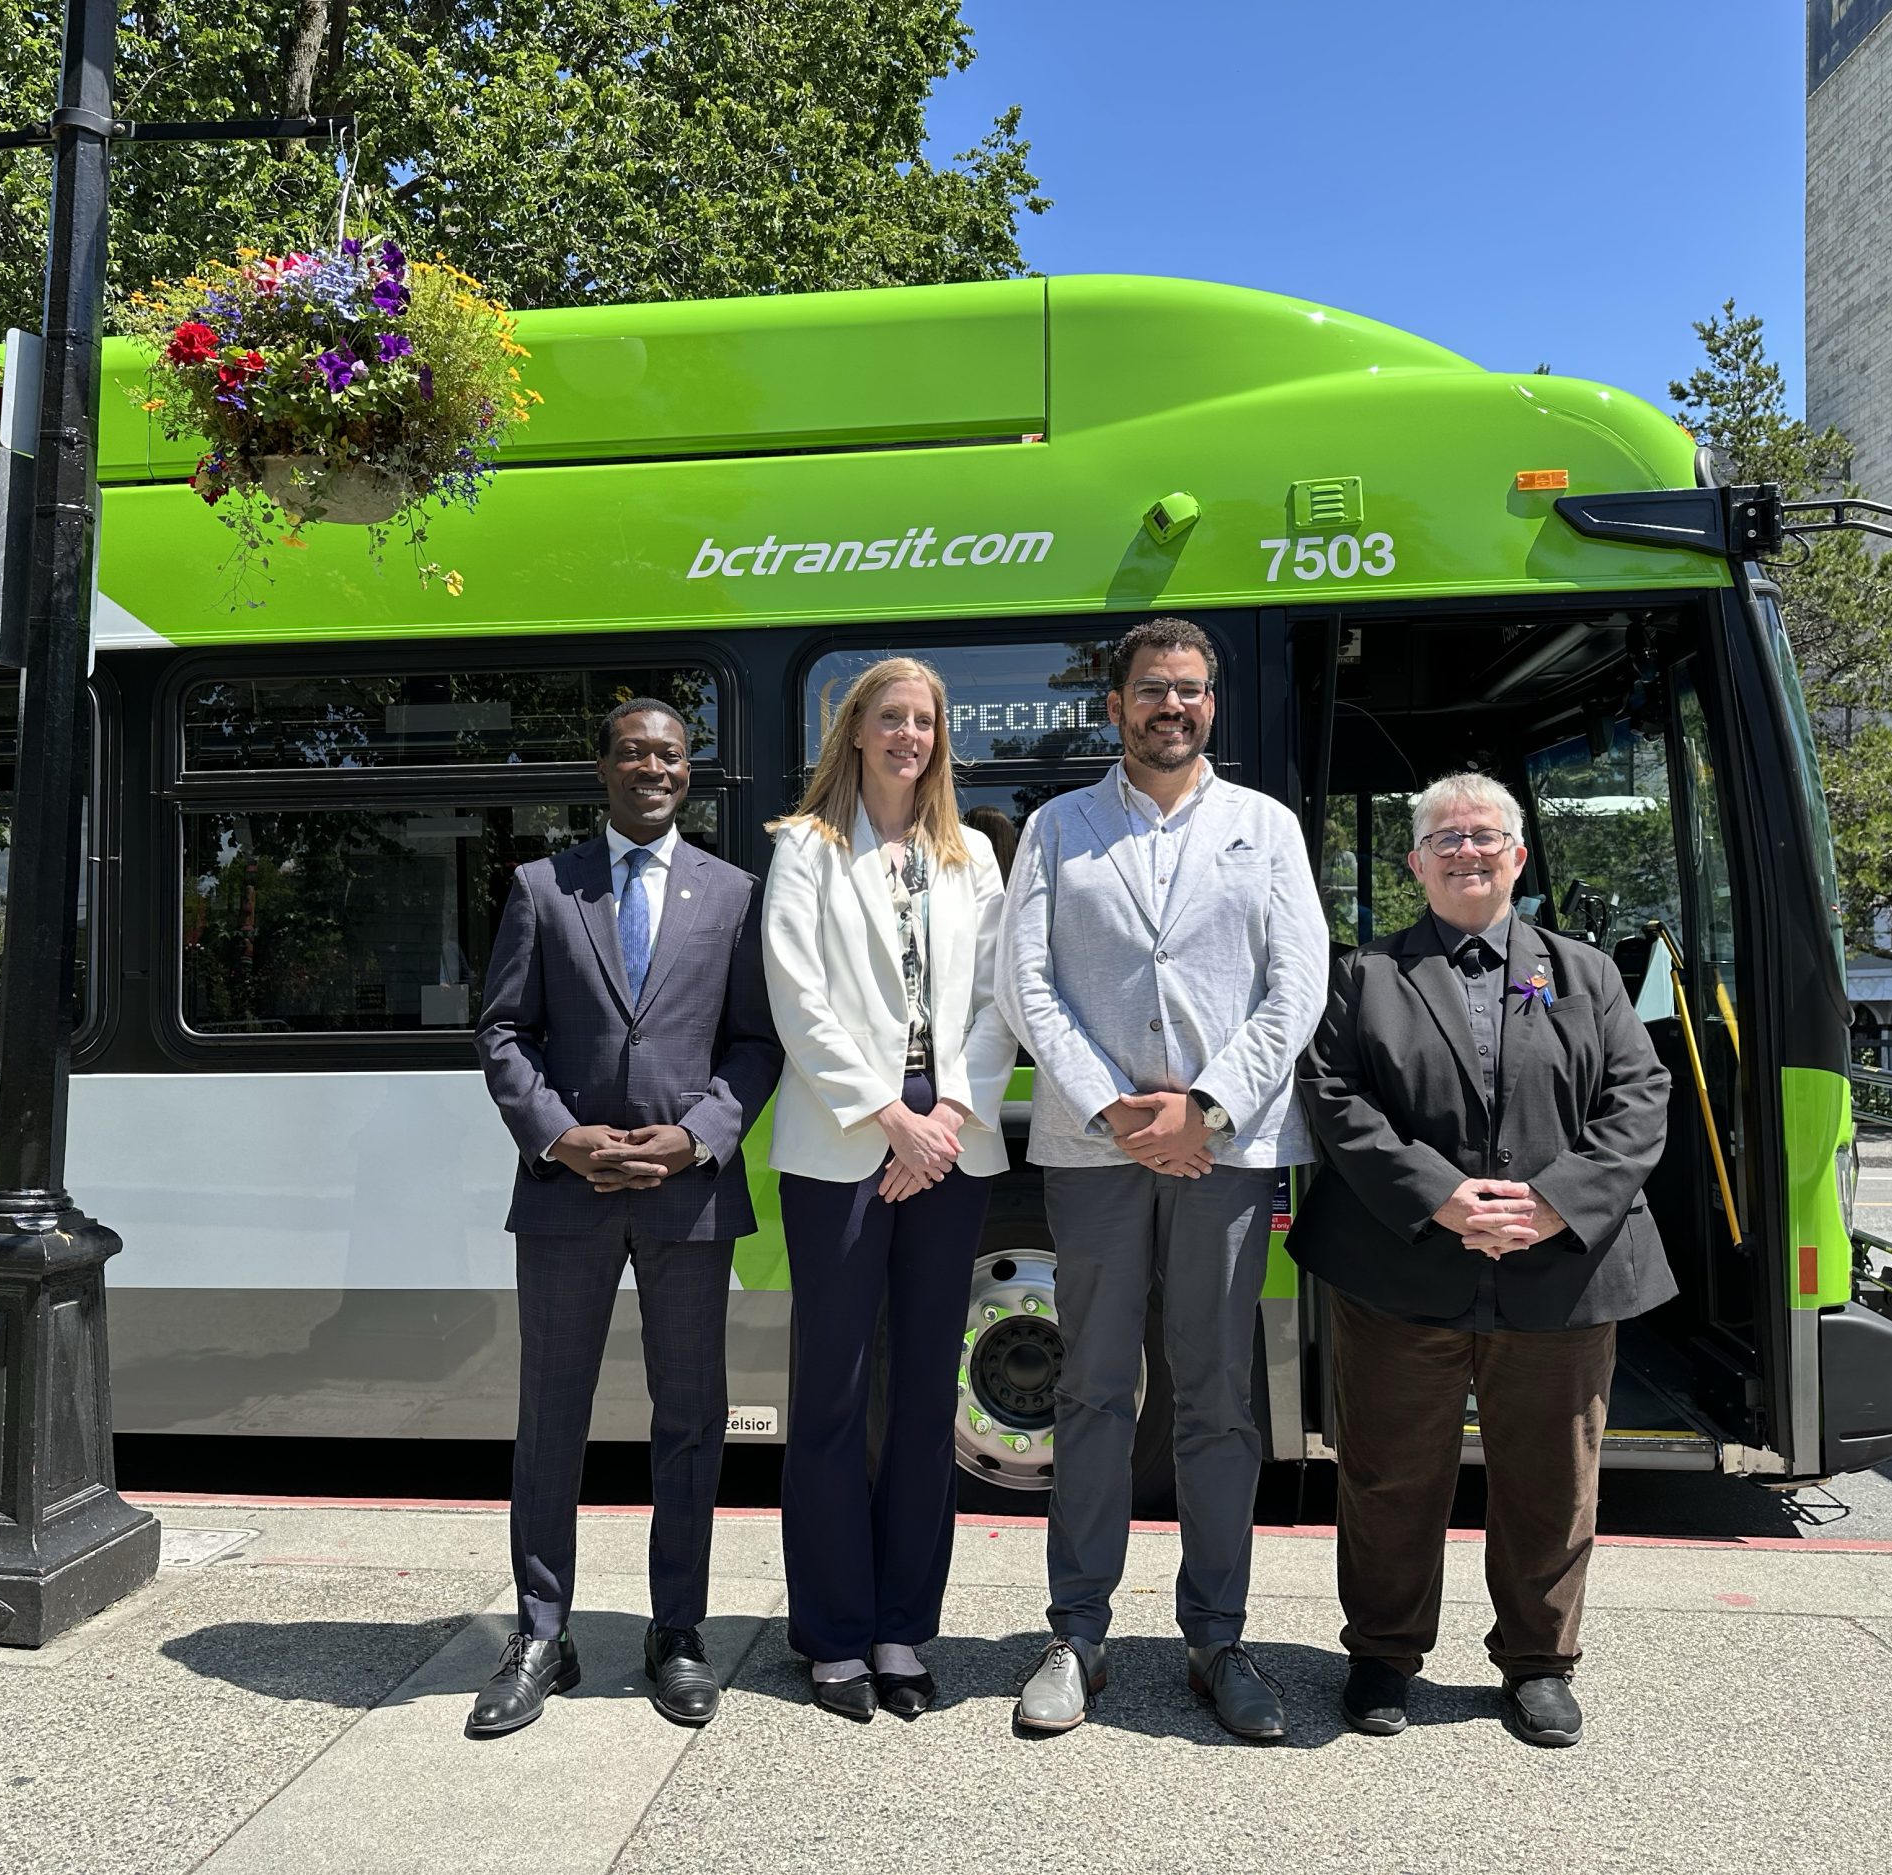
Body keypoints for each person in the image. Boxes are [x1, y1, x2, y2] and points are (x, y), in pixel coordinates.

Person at [996, 616, 1328, 1741]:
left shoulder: (1263, 829)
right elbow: (1025, 987)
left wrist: (1208, 1107)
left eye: (1188, 690)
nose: (1169, 707)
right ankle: (1075, 1634)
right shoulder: (1057, 827)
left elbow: (1298, 985)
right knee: (1089, 1393)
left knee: (1217, 1400)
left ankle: (1216, 1638)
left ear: (1211, 706)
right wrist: (1113, 1108)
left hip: (1223, 1151)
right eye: (1150, 690)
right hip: (1095, 1151)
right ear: (1115, 705)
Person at [1294, 770, 1673, 1750]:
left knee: (1552, 1478)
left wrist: (1553, 1203)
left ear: (1516, 856)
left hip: (1561, 1272)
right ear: (1415, 862)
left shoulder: (1584, 973)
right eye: (1445, 838)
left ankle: (1538, 1663)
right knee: (1387, 1476)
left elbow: (1638, 1098)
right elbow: (1333, 1099)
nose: (1466, 851)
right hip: (1401, 1268)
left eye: (1485, 836)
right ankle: (1381, 1655)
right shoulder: (1363, 977)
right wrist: (1441, 1199)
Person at [468, 699, 782, 1738]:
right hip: (569, 1194)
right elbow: (504, 1031)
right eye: (635, 752)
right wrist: (563, 1137)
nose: (654, 766)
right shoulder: (540, 888)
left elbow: (753, 1043)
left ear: (689, 774)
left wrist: (696, 1136)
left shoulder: (734, 895)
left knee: (689, 1421)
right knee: (550, 1416)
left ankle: (676, 1634)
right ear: (602, 769)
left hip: (688, 1196)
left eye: (671, 754)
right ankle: (542, 1638)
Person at [761, 656, 1018, 1722]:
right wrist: (888, 1116)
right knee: (829, 1396)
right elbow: (797, 994)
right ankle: (829, 1634)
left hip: (949, 1143)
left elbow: (1005, 994)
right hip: (843, 1143)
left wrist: (949, 1114)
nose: (908, 735)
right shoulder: (804, 850)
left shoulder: (972, 858)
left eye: (924, 721)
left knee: (923, 1400)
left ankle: (904, 1627)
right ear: (854, 731)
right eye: (890, 718)